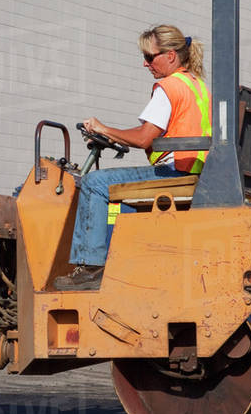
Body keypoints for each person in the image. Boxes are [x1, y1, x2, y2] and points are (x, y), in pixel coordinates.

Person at [54, 24, 211, 290]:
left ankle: (90, 268)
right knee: (116, 196)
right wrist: (111, 136)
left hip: (175, 173)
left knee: (94, 184)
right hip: (195, 171)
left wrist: (103, 129)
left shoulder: (168, 87)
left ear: (171, 55)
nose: (145, 64)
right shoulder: (196, 85)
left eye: (150, 57)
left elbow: (143, 138)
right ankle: (120, 262)